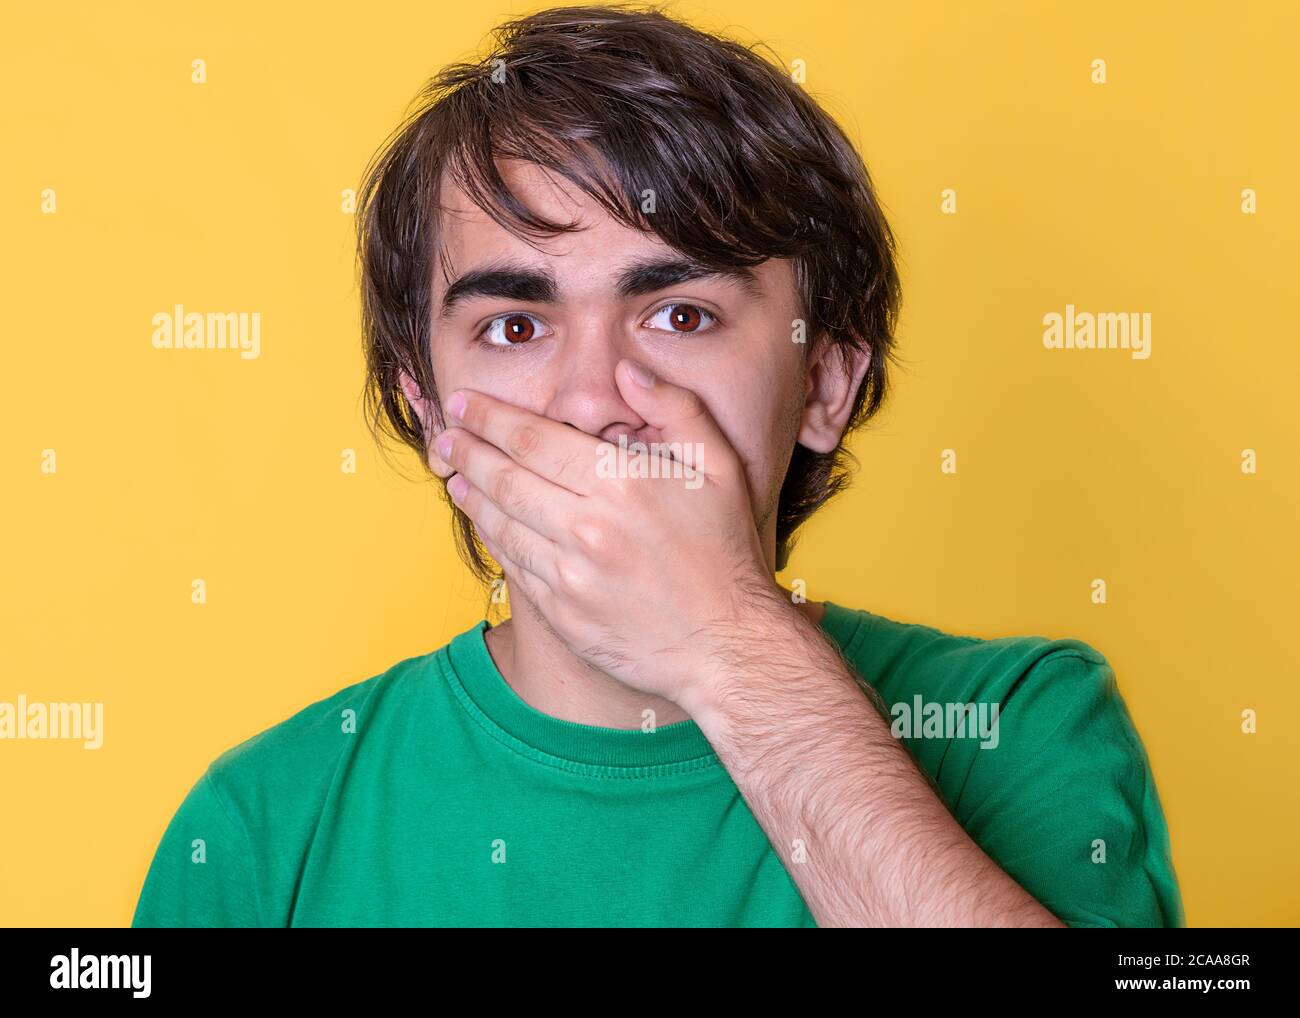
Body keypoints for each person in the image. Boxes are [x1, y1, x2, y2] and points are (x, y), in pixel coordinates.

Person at [132, 3, 1184, 927]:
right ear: (421, 401)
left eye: (680, 313)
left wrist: (725, 642)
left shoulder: (1018, 725)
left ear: (823, 383)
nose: (593, 398)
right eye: (512, 326)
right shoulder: (264, 823)